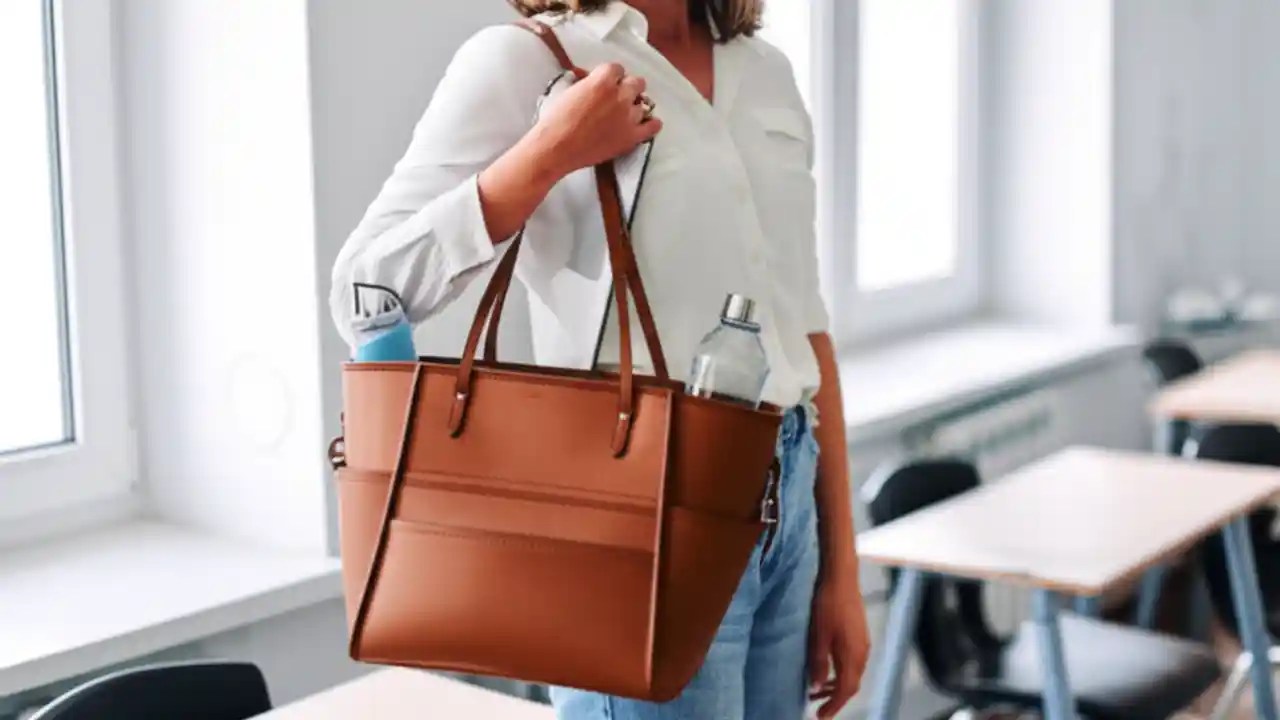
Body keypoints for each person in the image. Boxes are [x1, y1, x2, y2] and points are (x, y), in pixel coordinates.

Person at [329, 1, 871, 718]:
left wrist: (841, 567)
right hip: (642, 515)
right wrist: (548, 153)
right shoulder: (527, 60)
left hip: (789, 501)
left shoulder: (765, 72)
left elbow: (803, 322)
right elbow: (363, 291)